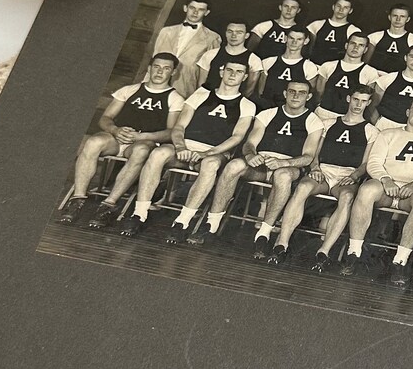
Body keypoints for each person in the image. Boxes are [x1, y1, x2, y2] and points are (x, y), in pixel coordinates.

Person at [119, 59, 255, 237]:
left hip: (213, 152)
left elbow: (237, 137)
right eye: (229, 70)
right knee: (159, 153)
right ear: (222, 72)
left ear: (244, 77)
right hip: (185, 147)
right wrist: (181, 147)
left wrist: (207, 153)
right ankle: (139, 214)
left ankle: (182, 221)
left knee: (211, 164)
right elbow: (179, 127)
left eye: (238, 72)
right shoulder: (201, 95)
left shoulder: (246, 104)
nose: (232, 75)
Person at [189, 80, 323, 255]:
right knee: (234, 165)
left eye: (302, 92)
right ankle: (211, 224)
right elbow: (250, 143)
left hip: (287, 166)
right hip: (262, 163)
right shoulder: (267, 114)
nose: (296, 96)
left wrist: (283, 163)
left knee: (282, 175)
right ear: (285, 94)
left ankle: (263, 234)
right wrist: (251, 155)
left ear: (309, 96)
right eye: (292, 91)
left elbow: (308, 157)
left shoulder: (313, 121)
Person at [61, 52, 184, 227]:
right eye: (156, 67)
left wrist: (143, 136)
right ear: (149, 68)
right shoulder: (129, 90)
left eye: (166, 68)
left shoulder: (175, 98)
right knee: (93, 142)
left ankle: (108, 205)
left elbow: (170, 132)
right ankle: (78, 199)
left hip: (142, 142)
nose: (159, 72)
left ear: (173, 73)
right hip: (116, 138)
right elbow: (105, 118)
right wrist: (115, 129)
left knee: (142, 150)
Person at [267, 87, 378, 270]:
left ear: (368, 103)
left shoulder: (371, 131)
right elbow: (313, 154)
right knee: (302, 188)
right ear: (349, 99)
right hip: (324, 171)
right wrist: (315, 167)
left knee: (348, 197)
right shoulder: (327, 123)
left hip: (346, 175)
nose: (359, 104)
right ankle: (282, 244)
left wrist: (354, 175)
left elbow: (366, 163)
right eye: (356, 99)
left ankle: (323, 252)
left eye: (364, 101)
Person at [339, 98, 413, 287]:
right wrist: (386, 180)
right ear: (407, 112)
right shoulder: (388, 134)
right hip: (386, 187)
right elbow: (374, 162)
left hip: (411, 192)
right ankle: (353, 252)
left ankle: (400, 261)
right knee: (367, 189)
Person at [152, 0, 221, 99]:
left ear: (207, 12)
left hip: (186, 89)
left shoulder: (213, 38)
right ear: (185, 8)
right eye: (192, 8)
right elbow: (154, 59)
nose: (195, 12)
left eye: (201, 9)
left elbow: (209, 70)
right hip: (156, 85)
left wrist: (199, 96)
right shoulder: (166, 31)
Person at [251, 26, 321, 110]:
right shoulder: (268, 62)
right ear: (285, 38)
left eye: (299, 39)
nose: (294, 42)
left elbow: (308, 95)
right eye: (291, 38)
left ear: (305, 41)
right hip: (267, 108)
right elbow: (261, 91)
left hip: (290, 110)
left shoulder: (309, 67)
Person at [314, 33, 379, 121]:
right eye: (353, 43)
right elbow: (319, 92)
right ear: (346, 45)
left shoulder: (370, 72)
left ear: (365, 50)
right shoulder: (328, 66)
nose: (356, 47)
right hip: (322, 113)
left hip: (347, 118)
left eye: (361, 45)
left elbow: (366, 99)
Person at [195, 20, 254, 92]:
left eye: (239, 32)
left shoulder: (253, 59)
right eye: (230, 31)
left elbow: (249, 90)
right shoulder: (210, 54)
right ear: (226, 33)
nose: (233, 35)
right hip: (209, 100)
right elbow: (200, 85)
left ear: (247, 35)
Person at [365, 5, 413, 74]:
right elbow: (366, 62)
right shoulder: (374, 36)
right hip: (374, 76)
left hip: (398, 79)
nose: (398, 19)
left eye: (402, 16)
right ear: (389, 17)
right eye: (395, 16)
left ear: (408, 19)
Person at [306, 0, 362, 64]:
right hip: (314, 66)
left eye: (345, 8)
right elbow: (309, 48)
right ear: (333, 7)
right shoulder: (317, 24)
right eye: (338, 6)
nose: (341, 10)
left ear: (350, 11)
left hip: (336, 70)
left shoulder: (353, 30)